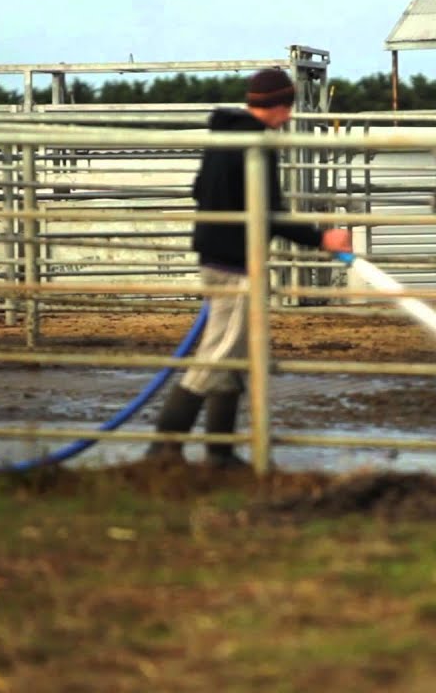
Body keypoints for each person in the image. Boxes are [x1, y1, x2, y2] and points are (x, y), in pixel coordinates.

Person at [146, 68, 352, 469]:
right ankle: (164, 448)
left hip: (217, 254)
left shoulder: (225, 136)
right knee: (221, 352)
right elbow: (269, 213)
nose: (289, 117)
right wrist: (321, 239)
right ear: (276, 106)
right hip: (233, 261)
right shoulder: (255, 144)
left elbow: (198, 190)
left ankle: (220, 453)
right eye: (287, 107)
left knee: (235, 350)